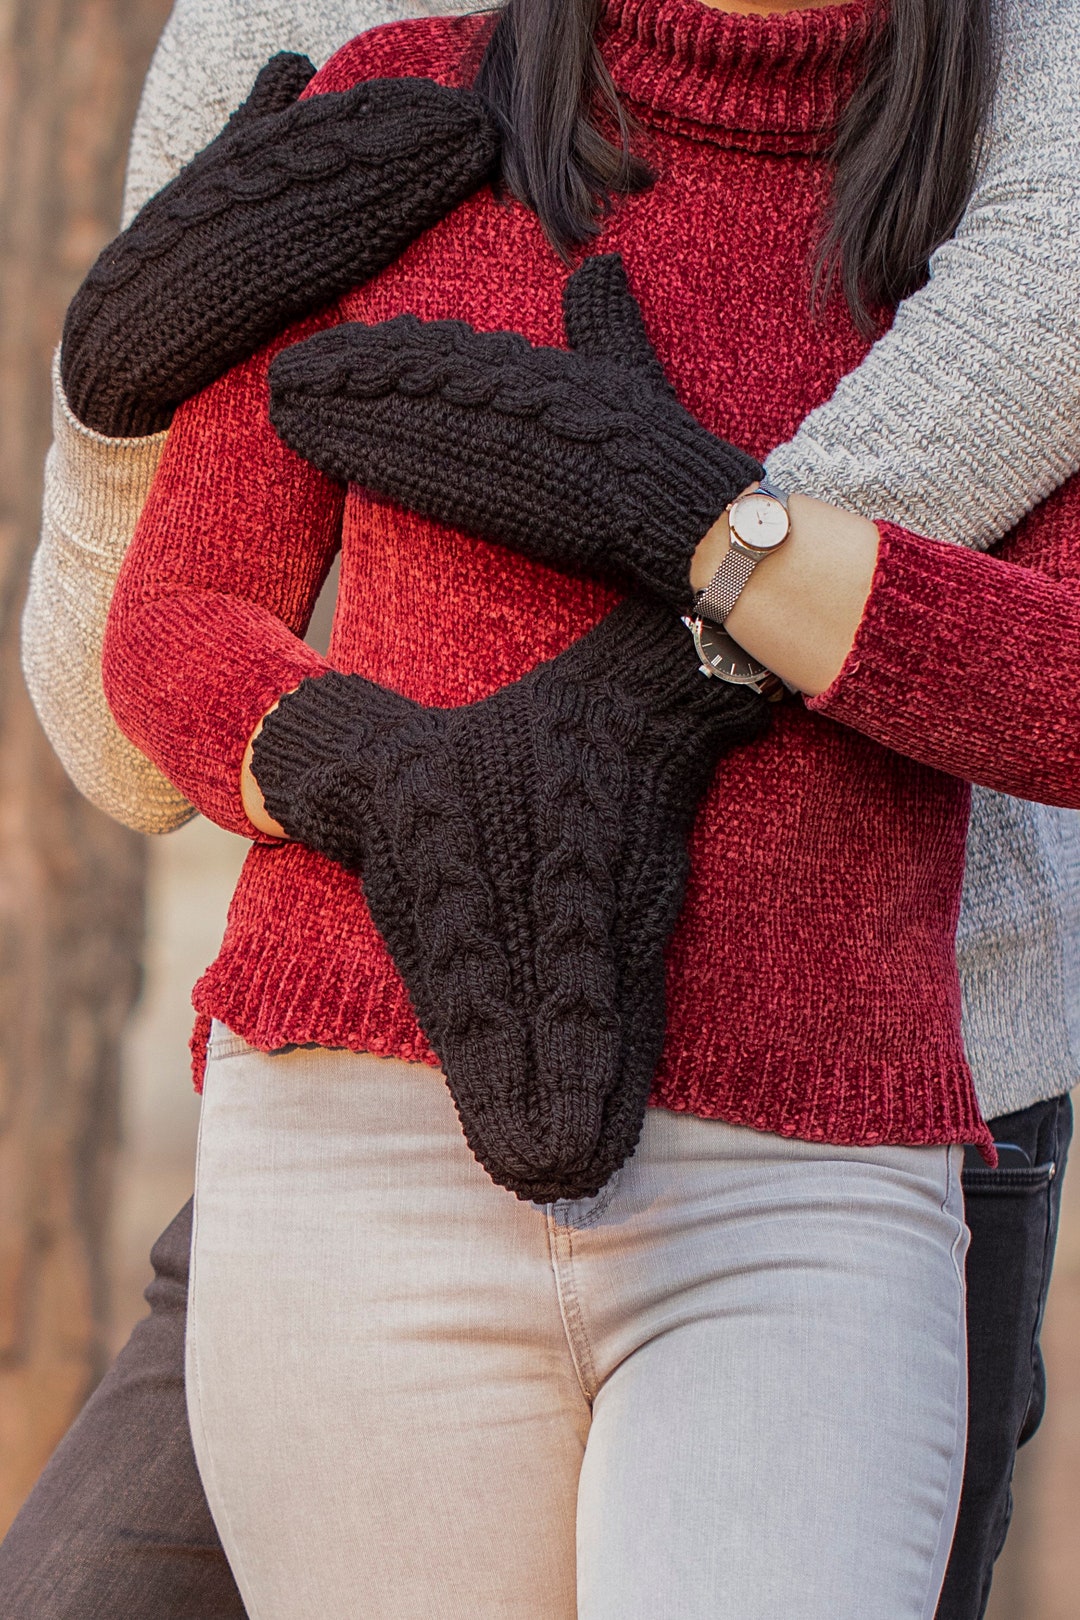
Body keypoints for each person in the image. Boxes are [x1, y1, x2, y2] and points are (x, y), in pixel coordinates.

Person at [4, 0, 1077, 1616]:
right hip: (363, 1106)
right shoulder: (354, 60)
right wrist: (115, 427)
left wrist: (698, 540)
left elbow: (1051, 660)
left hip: (837, 1135)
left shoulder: (1001, 119)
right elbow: (156, 663)